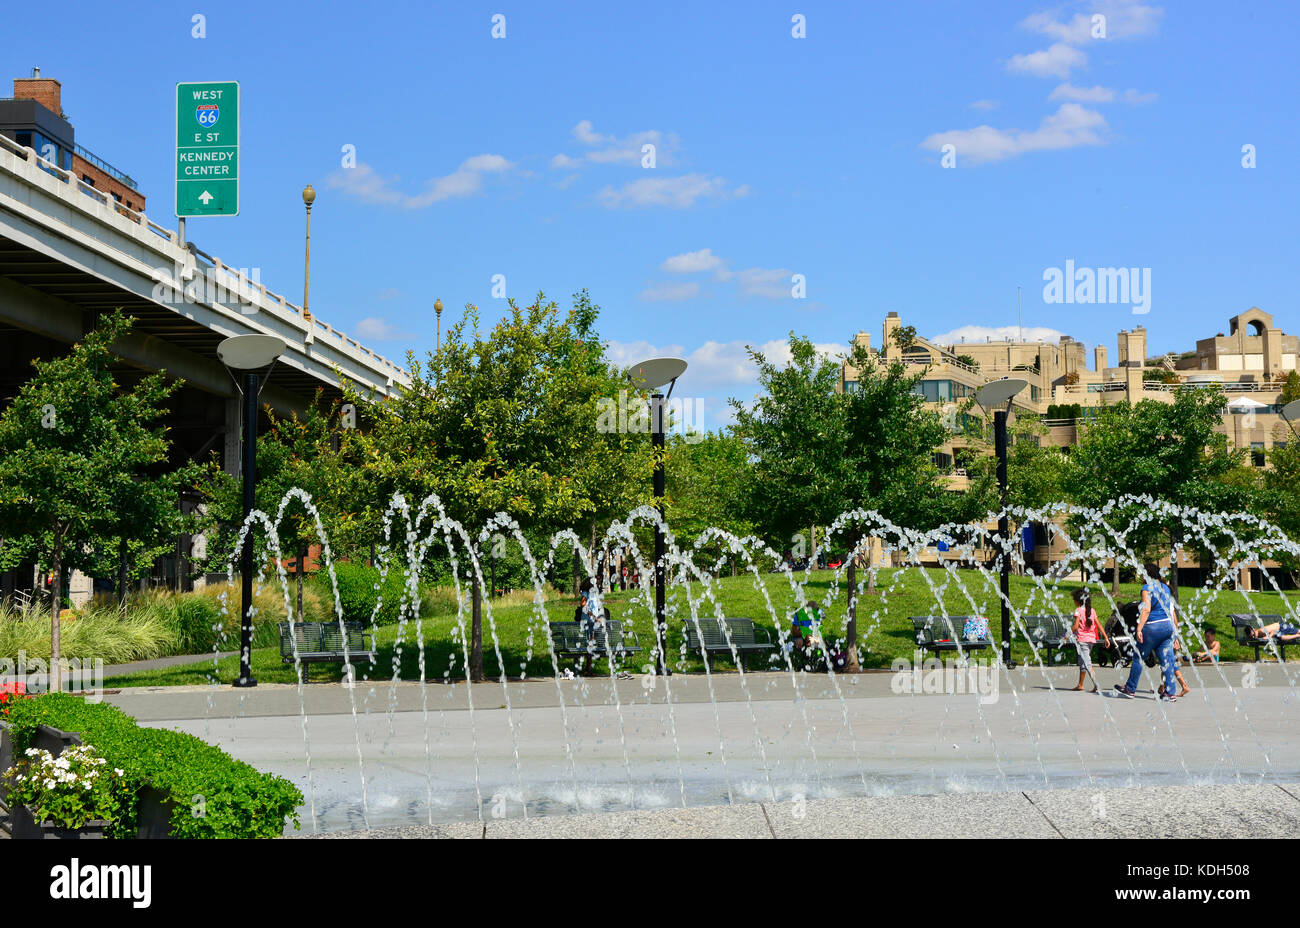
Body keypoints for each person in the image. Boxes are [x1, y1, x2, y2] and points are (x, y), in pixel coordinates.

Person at [1114, 564, 1180, 701]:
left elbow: (1146, 609)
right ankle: (1170, 693)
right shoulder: (1166, 588)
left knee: (1138, 657)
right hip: (1167, 627)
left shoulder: (1146, 588)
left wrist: (1139, 628)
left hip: (1152, 627)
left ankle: (1130, 688)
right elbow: (1170, 610)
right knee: (1167, 661)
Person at [1069, 588, 1110, 692]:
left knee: (1087, 663)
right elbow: (1099, 624)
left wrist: (1066, 634)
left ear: (1078, 601)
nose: (1074, 602)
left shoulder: (1078, 610)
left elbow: (1076, 626)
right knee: (1082, 662)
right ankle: (1080, 685)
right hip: (1091, 641)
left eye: (1074, 599)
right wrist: (1106, 637)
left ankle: (1096, 684)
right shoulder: (1092, 611)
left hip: (1082, 641)